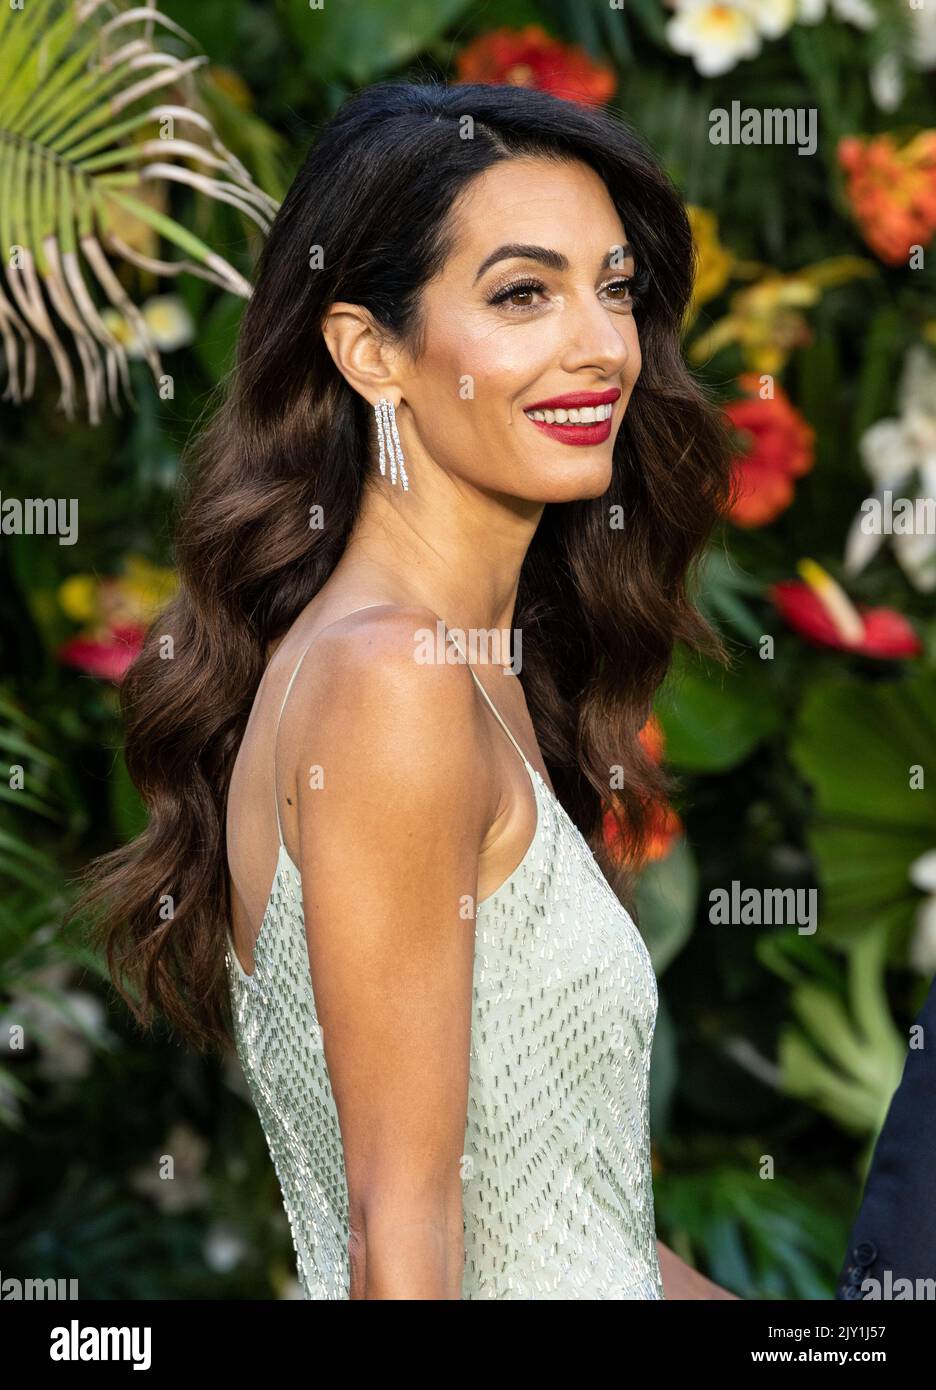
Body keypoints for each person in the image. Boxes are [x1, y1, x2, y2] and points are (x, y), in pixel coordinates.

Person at [70, 80, 736, 1299]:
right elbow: (401, 1245)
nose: (603, 343)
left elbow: (564, 1234)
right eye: (523, 293)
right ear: (370, 351)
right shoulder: (392, 681)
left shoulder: (467, 667)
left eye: (617, 287)